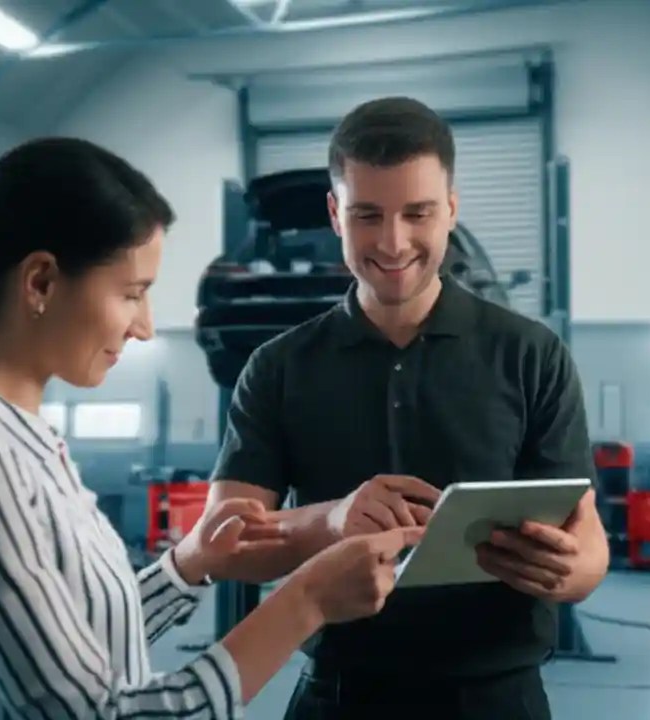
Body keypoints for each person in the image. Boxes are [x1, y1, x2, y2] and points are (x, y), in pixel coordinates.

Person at [0, 137, 422, 720]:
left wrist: (189, 564)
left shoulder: (17, 445)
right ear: (41, 283)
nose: (146, 328)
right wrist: (306, 601)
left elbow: (84, 646)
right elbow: (105, 714)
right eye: (132, 294)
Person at [207, 97, 610, 720]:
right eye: (368, 215)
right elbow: (228, 543)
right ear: (335, 213)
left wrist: (568, 571)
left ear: (451, 208)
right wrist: (331, 520)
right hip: (340, 695)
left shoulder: (532, 356)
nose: (393, 243)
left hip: (498, 700)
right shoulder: (278, 367)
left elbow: (589, 545)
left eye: (417, 213)